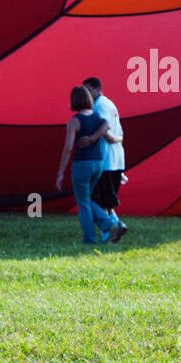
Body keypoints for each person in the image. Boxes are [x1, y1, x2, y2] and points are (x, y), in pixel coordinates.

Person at [55, 85, 121, 246]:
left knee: (83, 203)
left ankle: (92, 237)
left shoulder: (74, 121)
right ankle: (110, 224)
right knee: (85, 199)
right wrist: (96, 137)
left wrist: (61, 172)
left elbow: (68, 147)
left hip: (82, 165)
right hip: (98, 164)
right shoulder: (98, 117)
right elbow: (107, 127)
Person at [84, 76, 128, 243]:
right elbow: (121, 134)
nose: (86, 94)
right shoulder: (110, 104)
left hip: (106, 160)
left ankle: (109, 231)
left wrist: (94, 137)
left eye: (88, 90)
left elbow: (105, 126)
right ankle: (117, 225)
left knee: (97, 199)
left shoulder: (100, 105)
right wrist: (115, 140)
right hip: (116, 159)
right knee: (106, 200)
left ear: (97, 90)